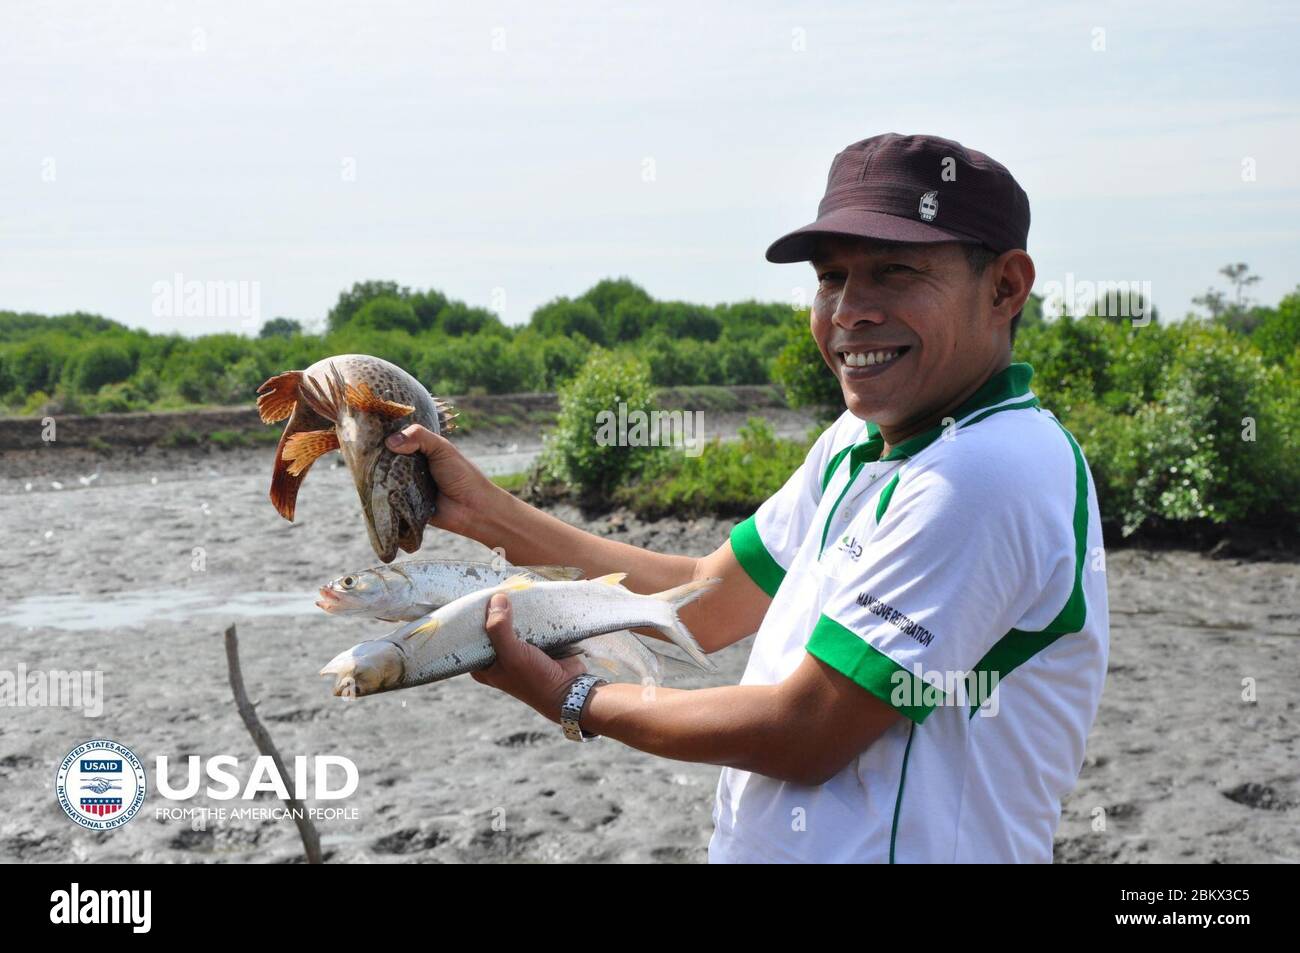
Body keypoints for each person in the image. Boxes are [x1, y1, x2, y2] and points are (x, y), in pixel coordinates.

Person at [385, 133, 1109, 863]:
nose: (851, 310)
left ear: (1006, 287)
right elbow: (705, 596)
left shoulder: (986, 472)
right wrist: (484, 510)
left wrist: (573, 697)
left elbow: (807, 730)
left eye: (895, 272)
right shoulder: (859, 445)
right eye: (831, 279)